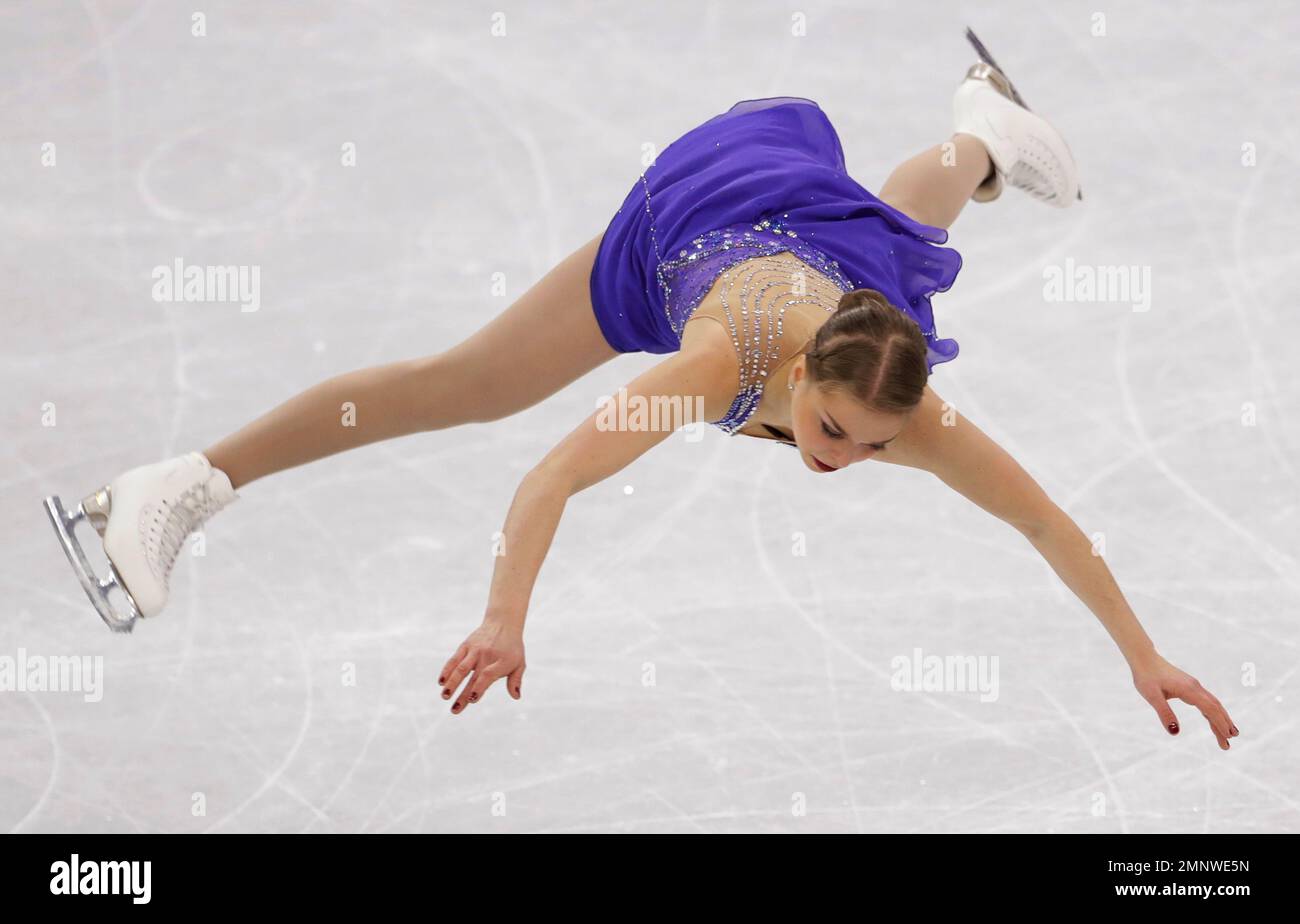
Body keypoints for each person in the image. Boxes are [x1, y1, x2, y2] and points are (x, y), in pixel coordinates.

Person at [44, 32, 1239, 749]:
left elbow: (1045, 522)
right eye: (833, 431)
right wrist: (506, 618)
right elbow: (552, 475)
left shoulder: (892, 393)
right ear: (804, 374)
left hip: (824, 260)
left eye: (873, 449)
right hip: (688, 233)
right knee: (468, 384)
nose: (843, 460)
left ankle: (982, 131)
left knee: (887, 230)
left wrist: (1142, 656)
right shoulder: (713, 366)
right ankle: (182, 483)